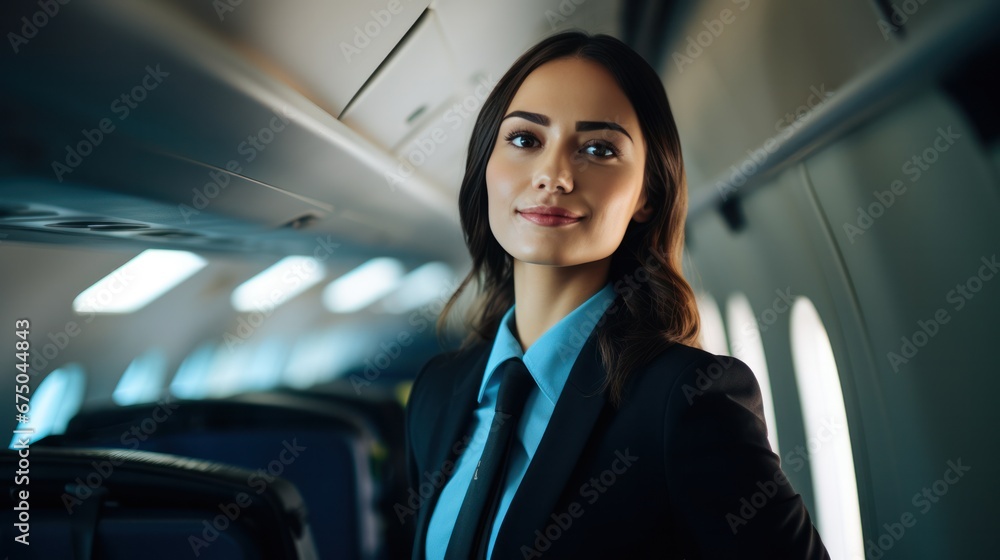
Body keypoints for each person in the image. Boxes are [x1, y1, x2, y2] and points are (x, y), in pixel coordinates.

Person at [403, 30, 830, 559]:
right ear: (485, 164)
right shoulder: (437, 393)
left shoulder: (688, 403)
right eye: (524, 140)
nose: (553, 176)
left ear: (647, 194)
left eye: (598, 149)